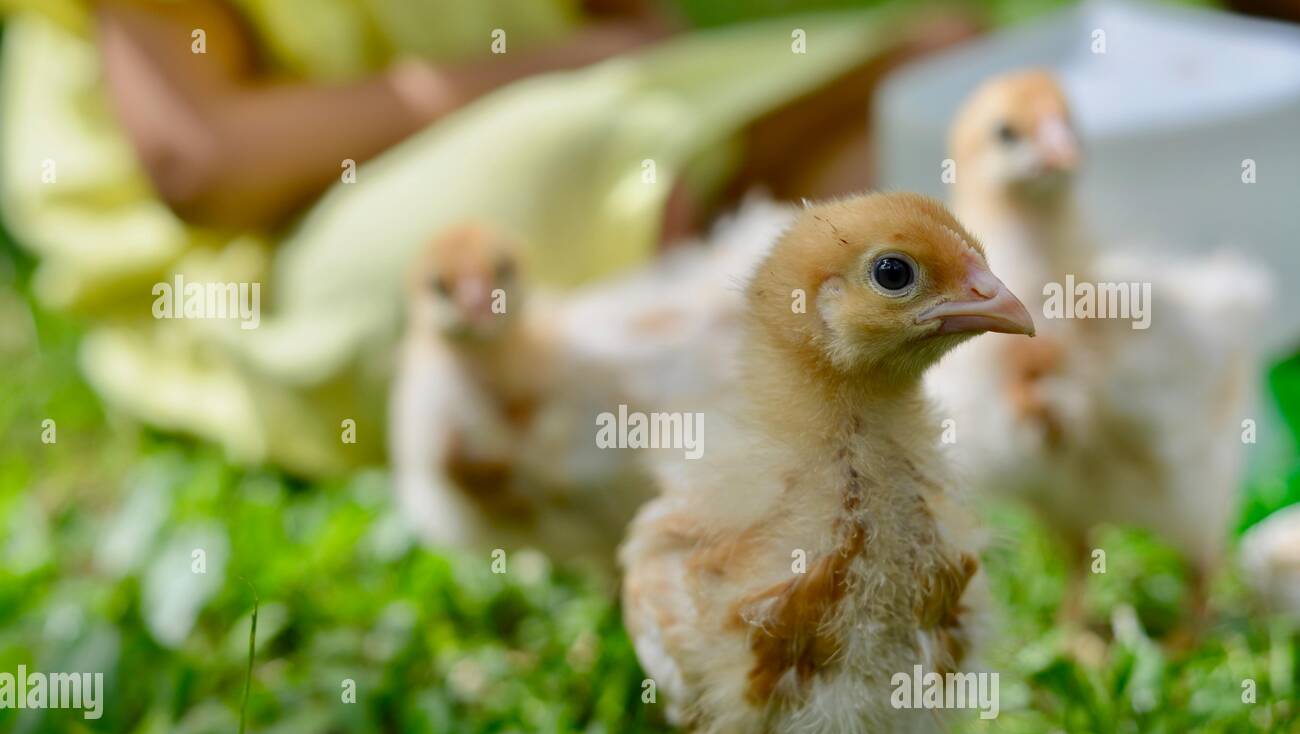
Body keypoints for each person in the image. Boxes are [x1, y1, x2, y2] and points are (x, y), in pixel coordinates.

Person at [2, 0, 975, 475]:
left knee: (928, 71)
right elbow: (203, 162)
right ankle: (700, 312)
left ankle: (750, 312)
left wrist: (600, 61)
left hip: (562, 126)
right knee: (589, 147)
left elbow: (640, 32)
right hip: (265, 260)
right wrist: (555, 71)